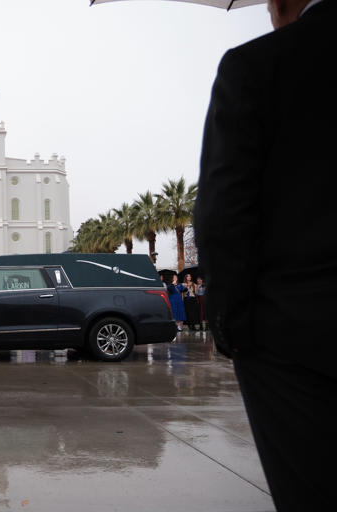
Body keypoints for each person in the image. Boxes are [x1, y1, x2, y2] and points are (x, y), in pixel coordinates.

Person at [194, 0, 337, 509]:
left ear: (278, 5)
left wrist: (232, 329)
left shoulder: (256, 67)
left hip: (295, 341)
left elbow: (223, 215)